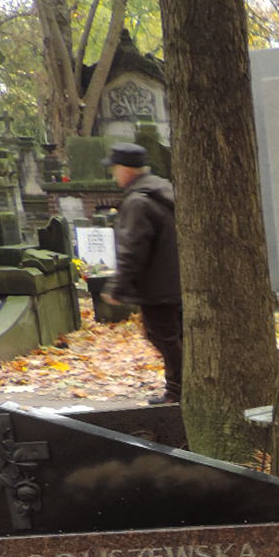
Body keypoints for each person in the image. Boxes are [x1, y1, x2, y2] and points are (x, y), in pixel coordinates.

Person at [100, 143, 183, 404]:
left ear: (125, 170)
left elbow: (132, 247)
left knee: (164, 338)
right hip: (174, 282)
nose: (114, 175)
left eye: (115, 169)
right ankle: (181, 388)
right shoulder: (162, 191)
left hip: (157, 286)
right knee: (172, 337)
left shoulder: (138, 201)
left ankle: (177, 392)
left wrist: (118, 287)